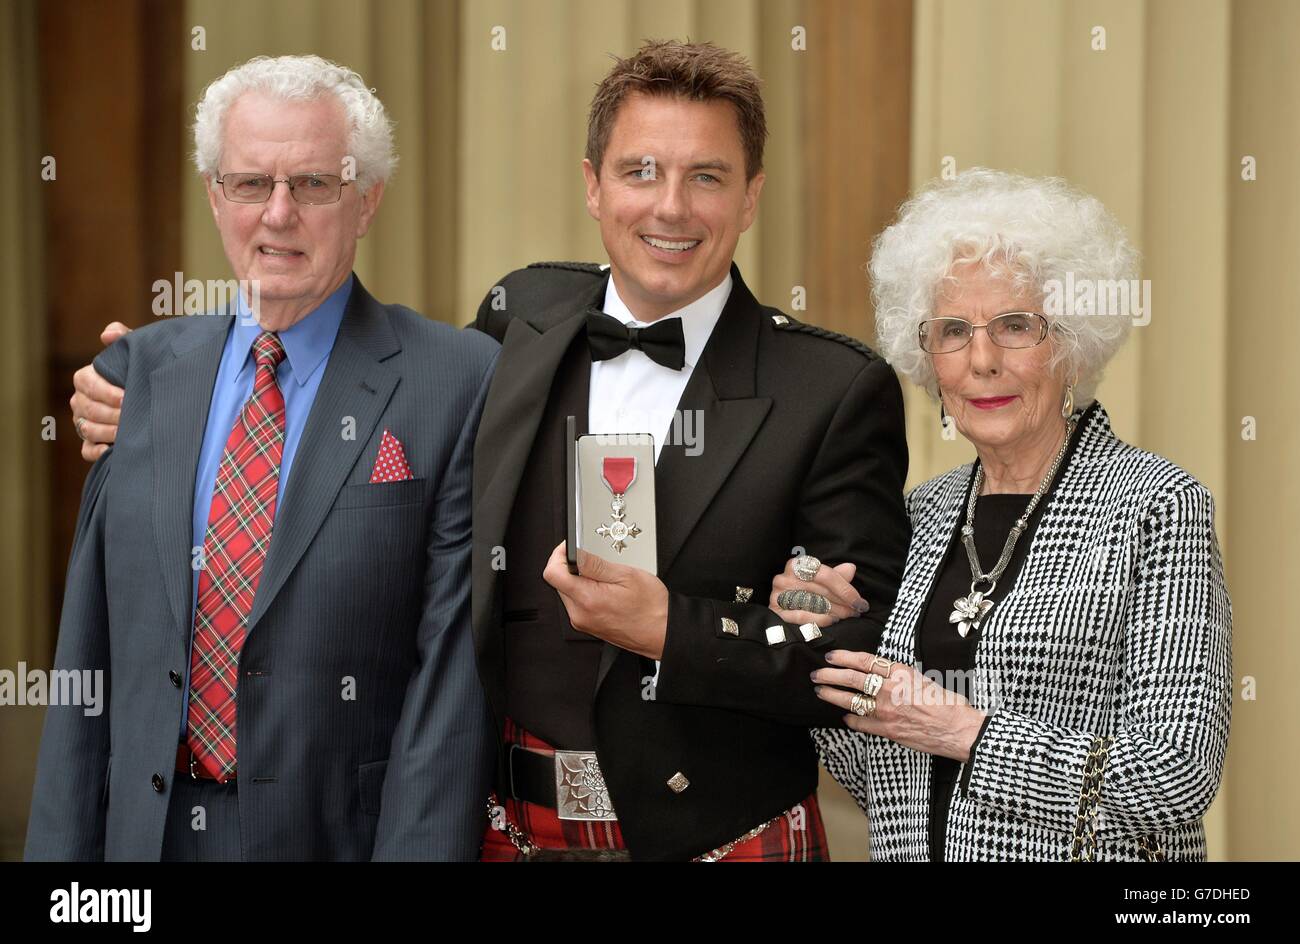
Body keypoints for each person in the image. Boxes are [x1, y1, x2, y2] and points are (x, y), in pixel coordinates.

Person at [72, 41, 912, 862]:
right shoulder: (519, 319)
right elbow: (365, 400)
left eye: (707, 176)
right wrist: (153, 400)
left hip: (720, 836)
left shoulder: (834, 389)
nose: (670, 208)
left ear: (752, 194)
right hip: (510, 828)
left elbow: (860, 665)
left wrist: (676, 633)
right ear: (592, 185)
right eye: (640, 171)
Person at [28, 55, 496, 861]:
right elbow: (89, 661)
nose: (278, 215)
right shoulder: (136, 375)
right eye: (250, 184)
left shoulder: (454, 380)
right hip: (148, 843)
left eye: (313, 184)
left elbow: (449, 686)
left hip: (337, 841)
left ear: (367, 200)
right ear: (216, 195)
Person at [771, 168, 1232, 861]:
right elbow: (886, 782)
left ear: (1072, 344)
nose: (982, 360)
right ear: (928, 357)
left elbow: (1174, 774)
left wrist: (966, 732)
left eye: (1015, 326)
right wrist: (824, 642)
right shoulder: (917, 517)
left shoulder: (1157, 506)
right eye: (953, 331)